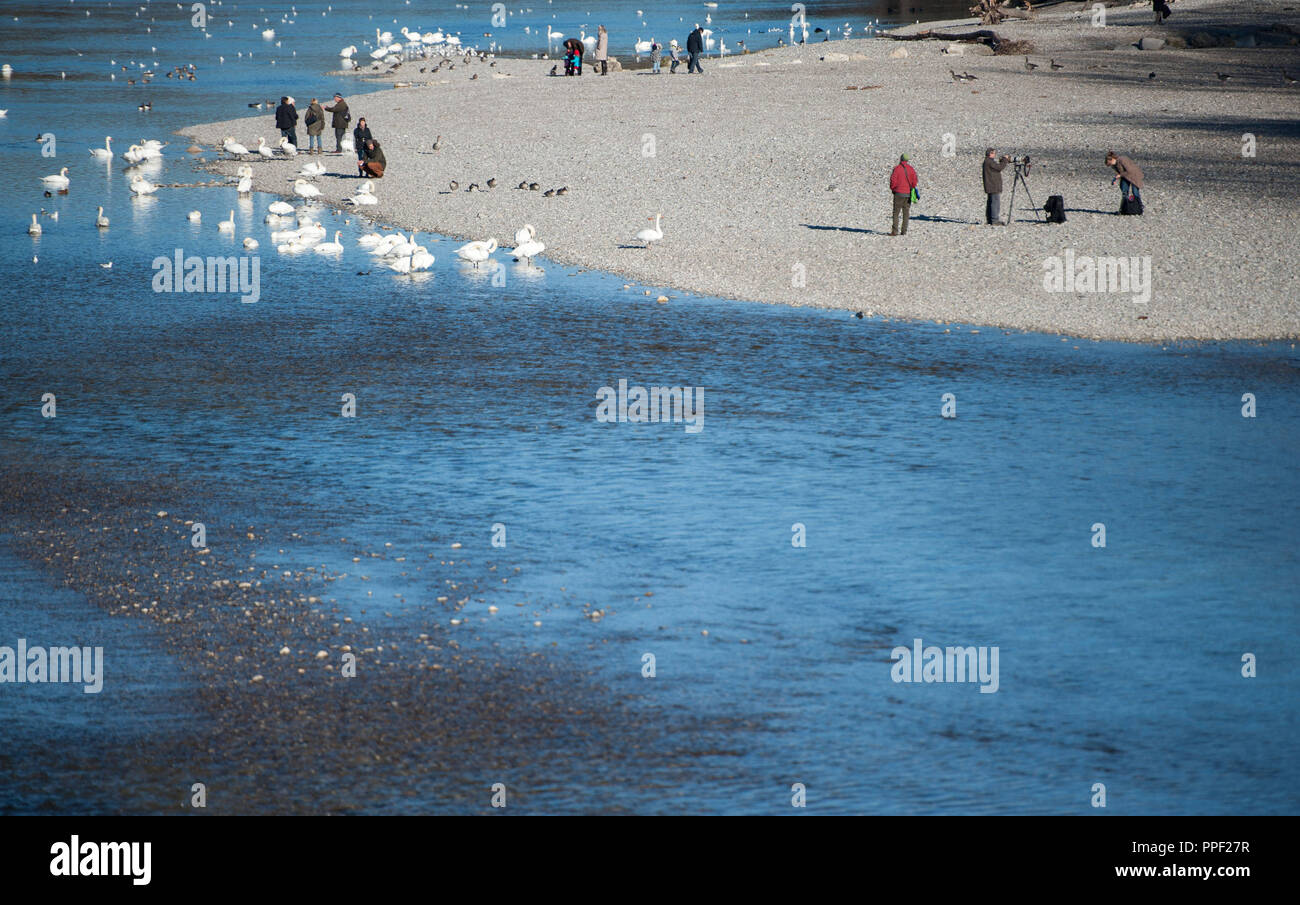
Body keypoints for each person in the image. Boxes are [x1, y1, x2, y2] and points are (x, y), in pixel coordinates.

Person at [888, 153, 918, 236]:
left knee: (896, 213)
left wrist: (893, 189)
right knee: (906, 213)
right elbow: (914, 181)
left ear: (900, 159)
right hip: (908, 194)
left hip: (898, 193)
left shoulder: (897, 169)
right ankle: (904, 231)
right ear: (907, 160)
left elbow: (893, 181)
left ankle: (894, 231)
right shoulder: (911, 169)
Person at [982, 147, 1010, 225]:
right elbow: (999, 167)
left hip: (990, 185)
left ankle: (990, 219)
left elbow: (996, 167)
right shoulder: (989, 162)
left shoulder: (987, 161)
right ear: (990, 153)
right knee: (995, 202)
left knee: (991, 202)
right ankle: (994, 220)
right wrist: (1005, 160)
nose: (995, 155)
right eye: (994, 153)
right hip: (993, 185)